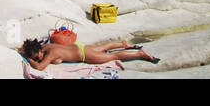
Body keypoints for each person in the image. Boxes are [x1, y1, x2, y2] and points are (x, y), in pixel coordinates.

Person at [20, 36, 159, 69]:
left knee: (114, 55)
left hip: (85, 55)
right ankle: (124, 44)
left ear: (38, 51)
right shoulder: (47, 47)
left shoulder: (49, 55)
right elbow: (57, 59)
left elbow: (39, 67)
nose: (38, 59)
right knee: (104, 47)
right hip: (80, 47)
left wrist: (28, 58)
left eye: (37, 57)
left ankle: (140, 54)